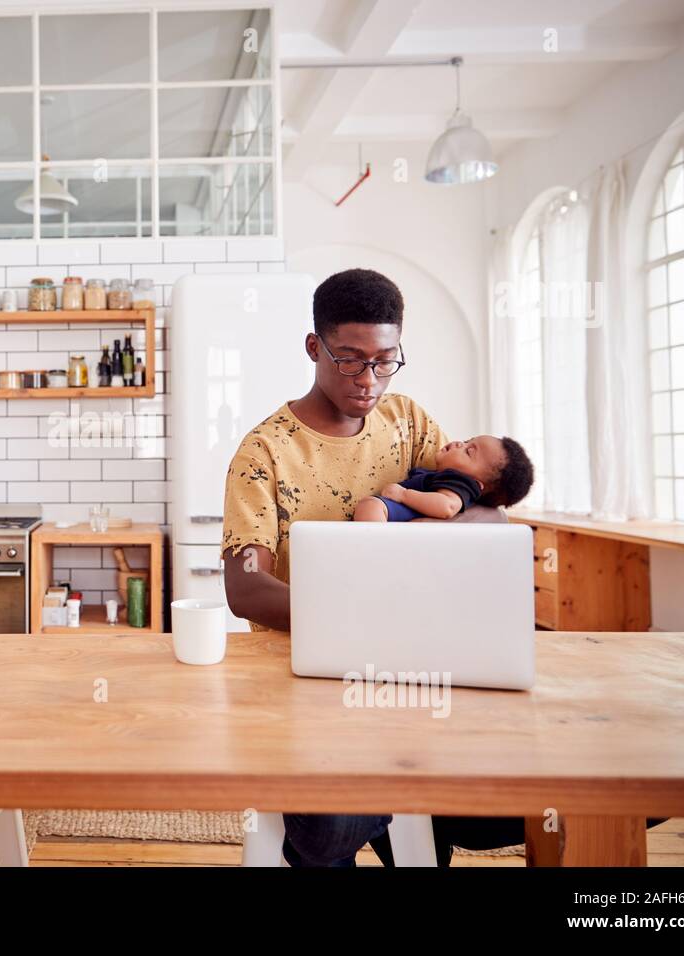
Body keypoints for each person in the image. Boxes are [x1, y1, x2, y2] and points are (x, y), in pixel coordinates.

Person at [221, 268, 536, 866]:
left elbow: (484, 512)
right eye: (350, 360)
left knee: (515, 772)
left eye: (385, 361)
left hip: (411, 660)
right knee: (342, 821)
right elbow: (245, 587)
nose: (369, 380)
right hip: (308, 673)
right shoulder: (264, 453)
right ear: (315, 347)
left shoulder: (408, 422)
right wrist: (354, 615)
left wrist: (405, 541)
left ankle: (423, 826)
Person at [352, 435, 534, 522]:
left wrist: (403, 495)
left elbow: (446, 506)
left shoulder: (462, 483)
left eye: (469, 451)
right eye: (467, 441)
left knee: (372, 506)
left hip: (411, 510)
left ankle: (377, 555)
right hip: (409, 512)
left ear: (477, 485)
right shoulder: (446, 476)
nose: (459, 444)